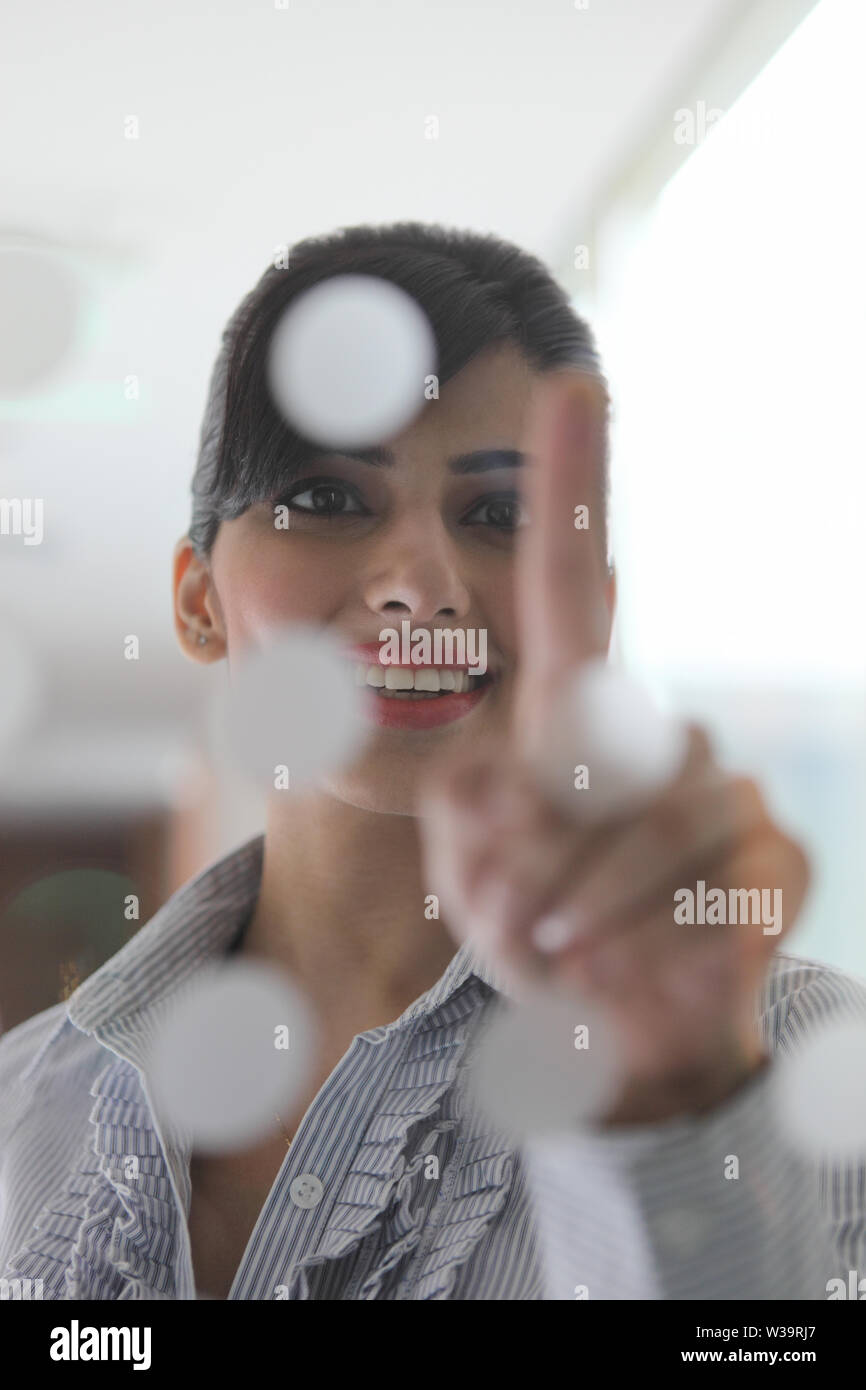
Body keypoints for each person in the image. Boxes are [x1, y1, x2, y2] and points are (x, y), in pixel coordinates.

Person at [1, 222, 864, 1301]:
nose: (419, 586)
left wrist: (668, 1119)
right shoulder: (21, 1107)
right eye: (327, 499)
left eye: (499, 513)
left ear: (594, 615)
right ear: (197, 600)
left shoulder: (802, 1061)